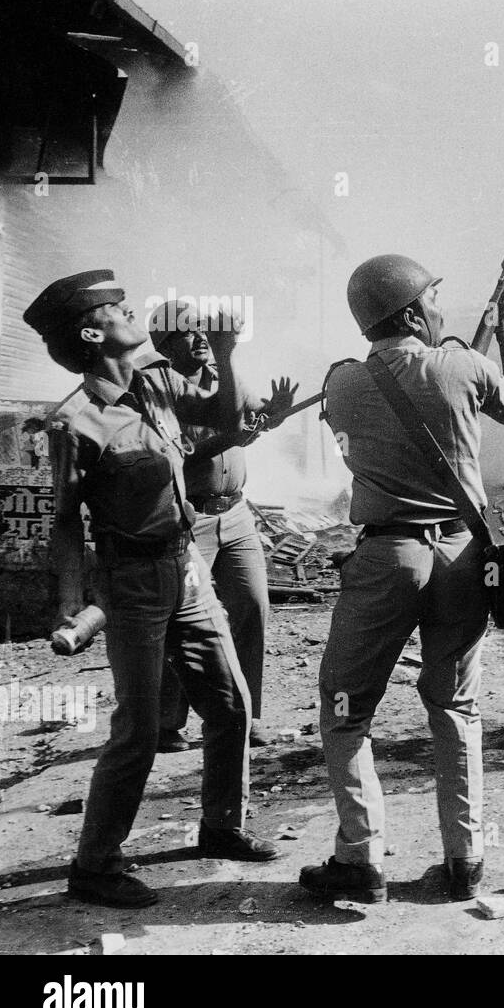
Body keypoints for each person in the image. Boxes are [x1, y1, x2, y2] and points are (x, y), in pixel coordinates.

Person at [26, 270, 279, 909]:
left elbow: (228, 418)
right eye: (118, 308)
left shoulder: (158, 382)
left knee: (230, 704)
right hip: (130, 580)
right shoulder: (76, 423)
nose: (131, 310)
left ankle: (221, 825)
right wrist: (67, 606)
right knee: (139, 730)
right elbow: (63, 524)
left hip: (186, 562)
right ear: (92, 332)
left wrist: (224, 352)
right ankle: (94, 865)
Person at [299, 254, 504, 905]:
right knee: (455, 706)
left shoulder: (342, 383)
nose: (440, 310)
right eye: (433, 298)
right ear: (408, 312)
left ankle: (360, 858)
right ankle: (465, 860)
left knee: (346, 710)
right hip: (461, 557)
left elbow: (365, 423)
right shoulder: (464, 365)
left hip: (387, 557)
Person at [148, 300, 298, 753]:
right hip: (188, 520)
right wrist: (234, 437)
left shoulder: (223, 379)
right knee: (181, 622)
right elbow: (182, 456)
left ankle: (248, 719)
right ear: (165, 345)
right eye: (188, 334)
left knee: (252, 608)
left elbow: (254, 414)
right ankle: (166, 724)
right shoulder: (161, 391)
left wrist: (276, 411)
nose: (201, 340)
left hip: (236, 515)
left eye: (203, 331)